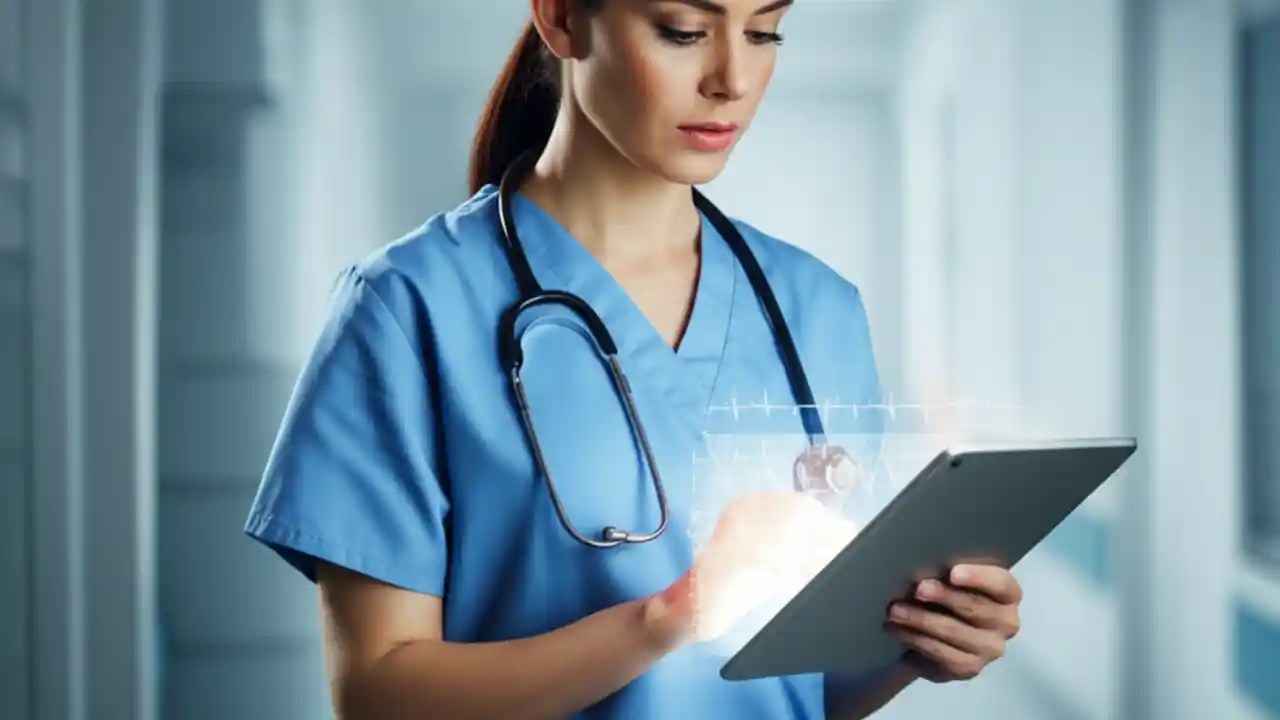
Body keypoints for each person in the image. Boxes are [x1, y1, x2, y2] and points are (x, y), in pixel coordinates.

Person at [243, 0, 1025, 717]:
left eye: (764, 32)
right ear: (561, 20)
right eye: (685, 31)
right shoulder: (410, 307)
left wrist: (922, 646)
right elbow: (378, 696)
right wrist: (671, 616)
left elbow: (806, 691)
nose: (733, 79)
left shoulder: (817, 309)